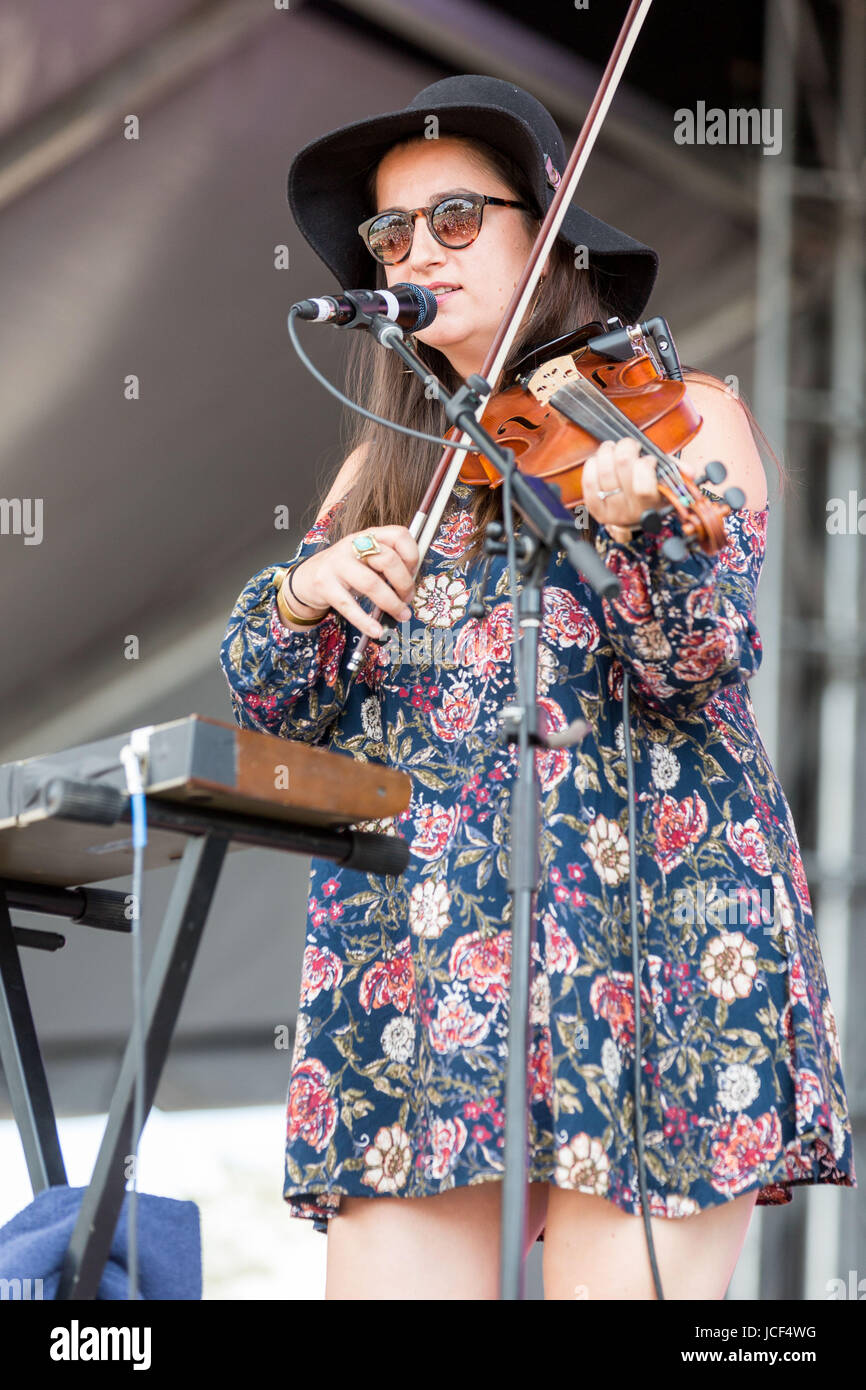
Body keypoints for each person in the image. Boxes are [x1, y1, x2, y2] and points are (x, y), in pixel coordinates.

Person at [219, 75, 856, 1300]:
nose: (418, 252)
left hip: (652, 933)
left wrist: (643, 532)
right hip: (420, 958)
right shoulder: (383, 459)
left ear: (547, 232)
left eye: (456, 219)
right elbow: (269, 711)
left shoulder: (678, 418)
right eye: (390, 235)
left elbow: (699, 661)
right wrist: (302, 595)